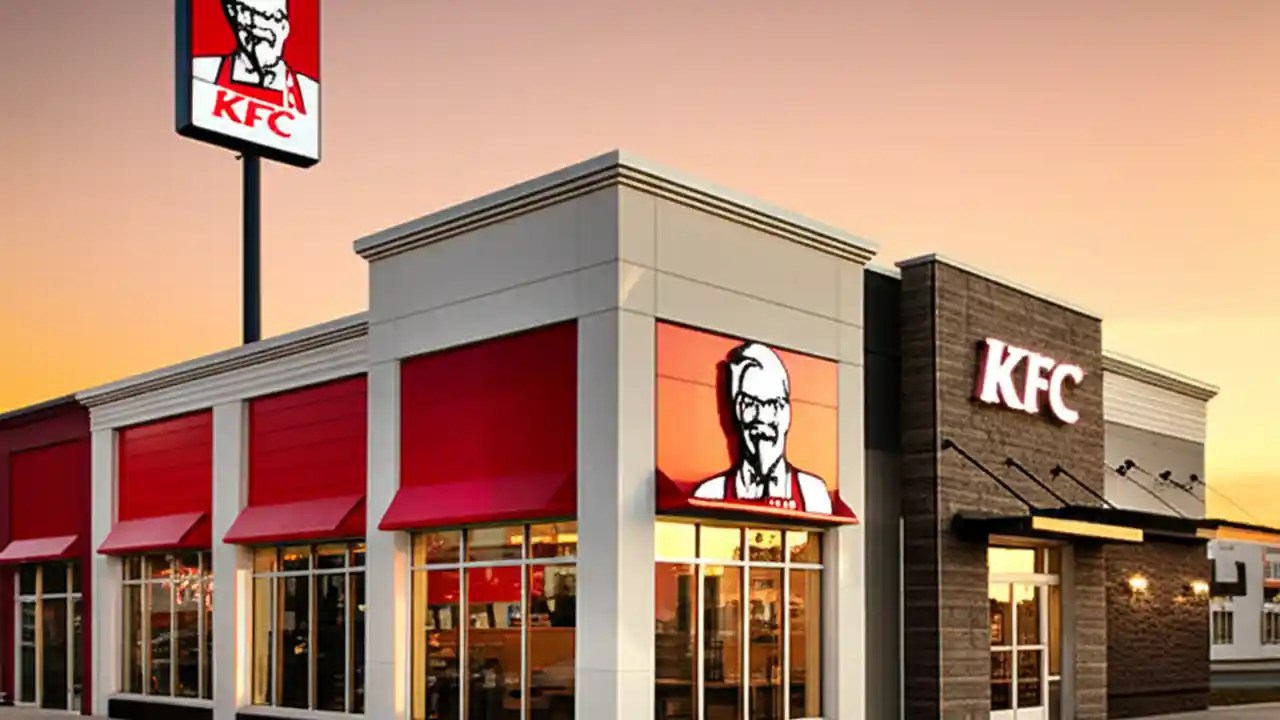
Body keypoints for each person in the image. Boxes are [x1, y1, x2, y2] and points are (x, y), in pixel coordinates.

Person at [693, 342, 832, 514]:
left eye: (774, 404)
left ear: (787, 413)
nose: (763, 417)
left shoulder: (813, 494)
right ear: (736, 411)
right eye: (750, 403)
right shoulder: (710, 495)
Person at [192, 0, 317, 115]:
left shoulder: (312, 95)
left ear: (285, 27)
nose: (257, 26)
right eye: (247, 12)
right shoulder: (199, 74)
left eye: (270, 17)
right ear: (234, 15)